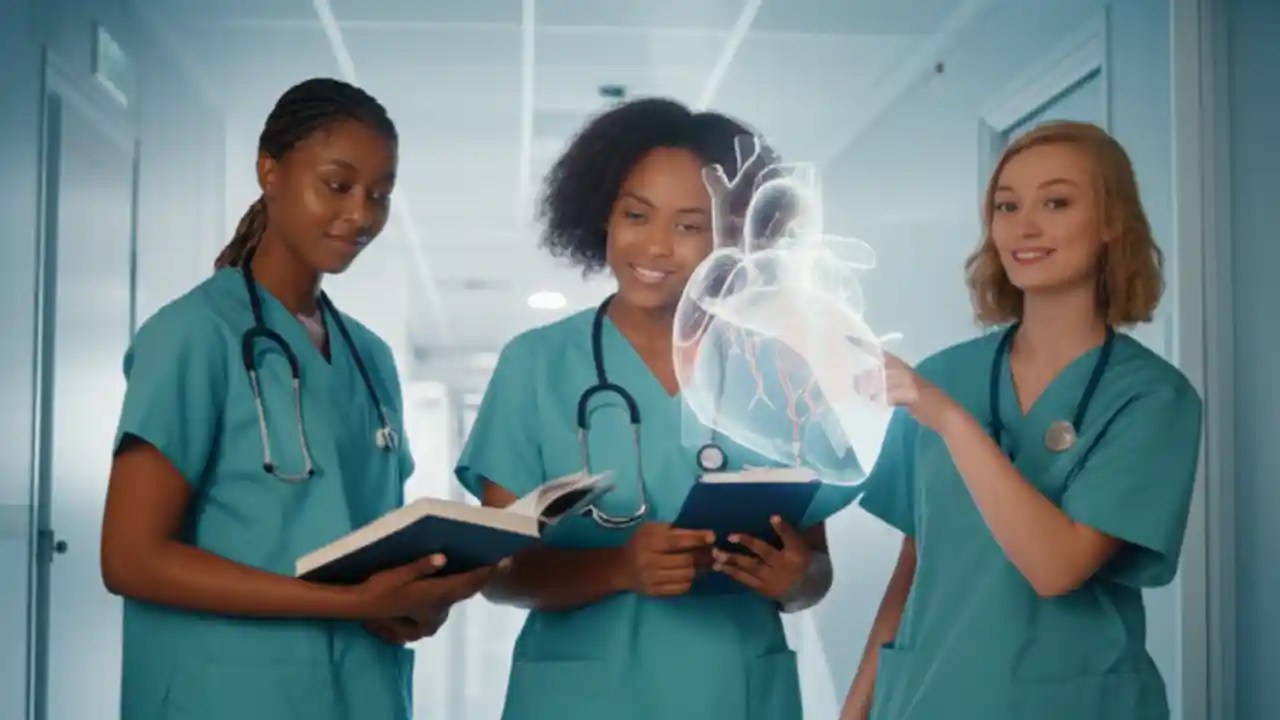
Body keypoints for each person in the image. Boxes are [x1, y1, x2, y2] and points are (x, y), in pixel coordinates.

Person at [100, 77, 491, 720]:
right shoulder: (194, 336)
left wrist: (413, 602)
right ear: (270, 171)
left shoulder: (370, 358)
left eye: (380, 195)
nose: (362, 213)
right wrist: (353, 604)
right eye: (338, 185)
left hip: (361, 691)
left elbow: (360, 544)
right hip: (226, 694)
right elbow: (131, 559)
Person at [454, 97, 856, 720]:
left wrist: (795, 580)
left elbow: (814, 570)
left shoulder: (777, 372)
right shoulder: (535, 365)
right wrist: (618, 568)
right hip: (585, 698)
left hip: (734, 691)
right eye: (636, 214)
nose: (657, 246)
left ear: (731, 239)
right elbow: (502, 572)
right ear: (601, 216)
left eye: (690, 226)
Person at [839, 120, 1203, 720]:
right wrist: (855, 709)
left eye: (1055, 202)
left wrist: (954, 424)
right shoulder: (945, 375)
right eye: (1006, 206)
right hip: (928, 698)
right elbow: (916, 564)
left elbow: (1056, 567)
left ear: (1113, 222)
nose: (1024, 226)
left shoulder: (1153, 400)